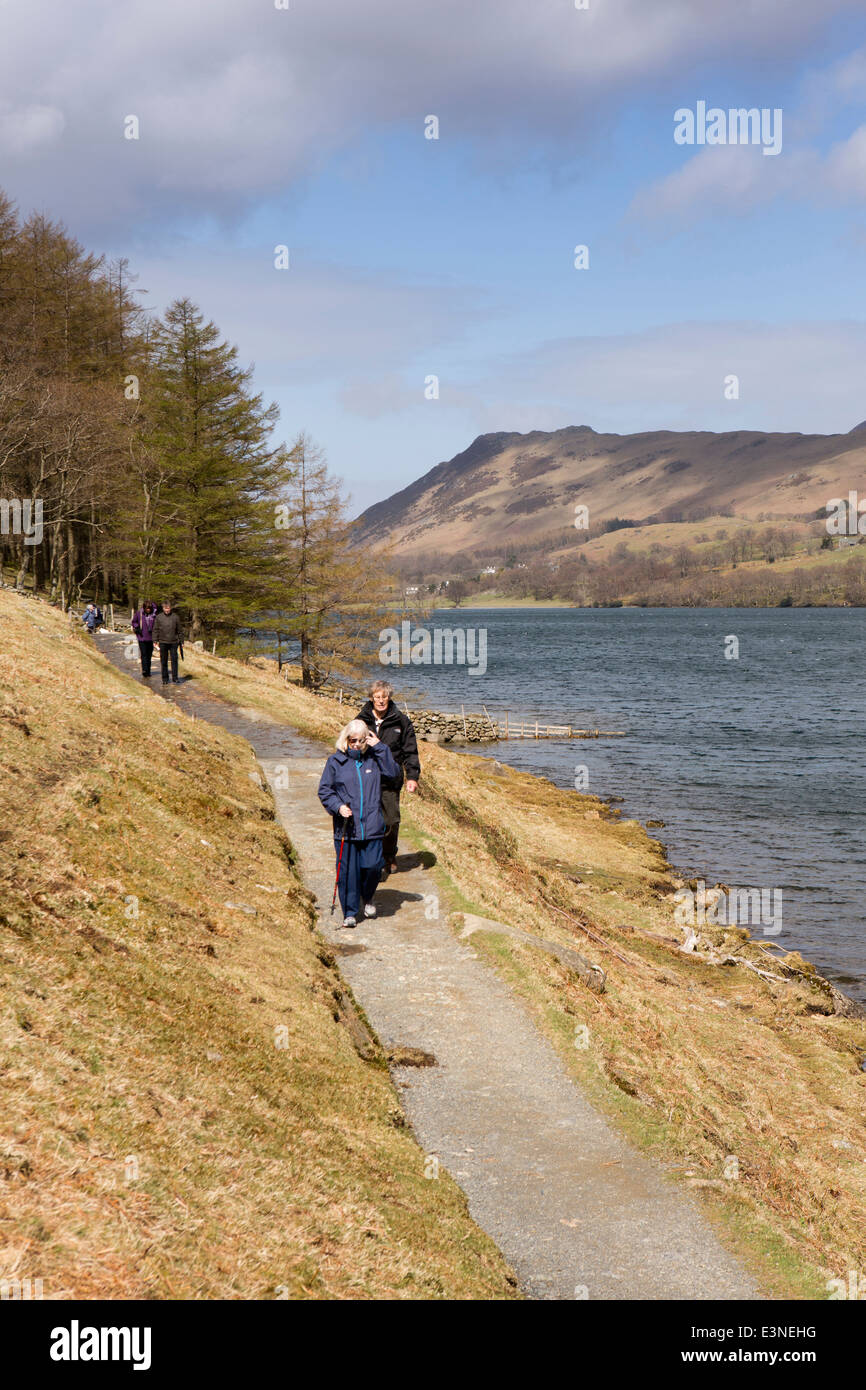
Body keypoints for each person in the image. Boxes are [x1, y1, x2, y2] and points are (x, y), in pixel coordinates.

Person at [317, 719, 400, 928]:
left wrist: (380, 747)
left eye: (361, 740)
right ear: (346, 739)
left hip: (372, 826)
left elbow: (394, 774)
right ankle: (350, 912)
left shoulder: (375, 758)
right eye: (353, 740)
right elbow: (325, 790)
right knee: (347, 873)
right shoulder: (335, 762)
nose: (357, 744)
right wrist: (338, 807)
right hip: (347, 829)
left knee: (373, 867)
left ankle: (368, 897)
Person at [356, 679, 420, 876]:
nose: (381, 700)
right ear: (371, 698)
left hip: (390, 779)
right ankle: (371, 859)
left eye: (384, 697)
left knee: (391, 821)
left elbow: (410, 751)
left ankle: (389, 855)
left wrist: (412, 777)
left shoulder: (401, 720)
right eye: (377, 697)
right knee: (368, 820)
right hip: (365, 778)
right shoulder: (361, 720)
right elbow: (350, 746)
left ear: (389, 697)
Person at [151, 599, 184, 685]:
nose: (167, 610)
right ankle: (165, 678)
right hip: (163, 642)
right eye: (165, 608)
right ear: (163, 608)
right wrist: (155, 640)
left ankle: (175, 677)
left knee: (174, 660)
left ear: (170, 608)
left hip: (174, 642)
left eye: (168, 608)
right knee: (164, 661)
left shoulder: (176, 617)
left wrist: (182, 641)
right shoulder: (159, 617)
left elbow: (180, 630)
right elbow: (155, 630)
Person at [131, 600, 157, 677]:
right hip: (141, 637)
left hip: (151, 638)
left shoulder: (154, 615)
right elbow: (134, 621)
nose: (148, 609)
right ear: (144, 608)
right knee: (144, 654)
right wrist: (137, 627)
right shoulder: (139, 613)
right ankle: (144, 670)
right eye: (146, 608)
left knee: (149, 655)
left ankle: (148, 671)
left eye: (149, 608)